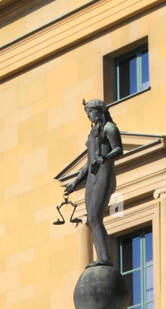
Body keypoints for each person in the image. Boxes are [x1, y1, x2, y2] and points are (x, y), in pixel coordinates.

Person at [63, 98, 124, 267]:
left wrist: (104, 158)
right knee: (91, 218)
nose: (89, 116)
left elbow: (118, 149)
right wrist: (75, 182)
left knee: (96, 217)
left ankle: (104, 257)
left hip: (104, 173)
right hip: (92, 177)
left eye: (91, 112)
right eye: (87, 113)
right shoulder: (94, 131)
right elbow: (88, 162)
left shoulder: (109, 128)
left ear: (99, 111)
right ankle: (102, 256)